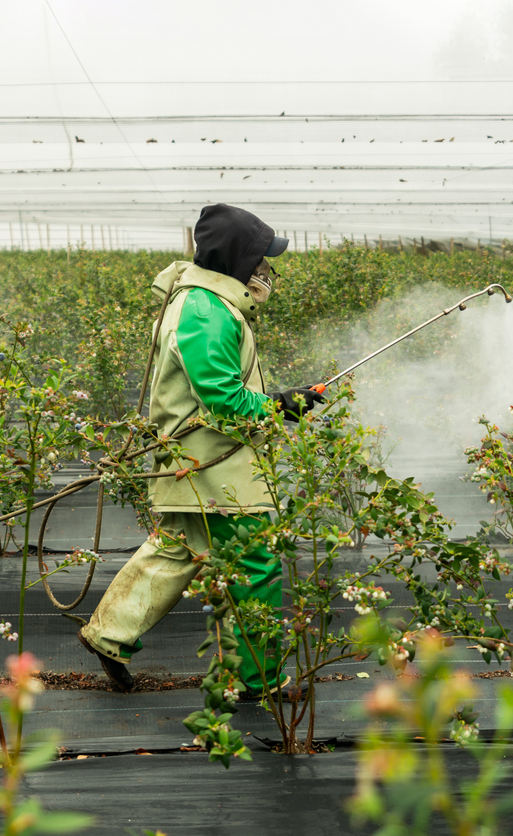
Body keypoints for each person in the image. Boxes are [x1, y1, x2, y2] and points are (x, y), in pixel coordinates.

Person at [77, 203, 322, 696]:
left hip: (194, 461)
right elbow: (222, 398)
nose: (266, 272)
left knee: (179, 548)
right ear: (237, 260)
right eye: (260, 261)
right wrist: (280, 406)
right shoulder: (207, 311)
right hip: (216, 465)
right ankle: (259, 681)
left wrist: (281, 402)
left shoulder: (204, 303)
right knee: (254, 566)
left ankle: (109, 632)